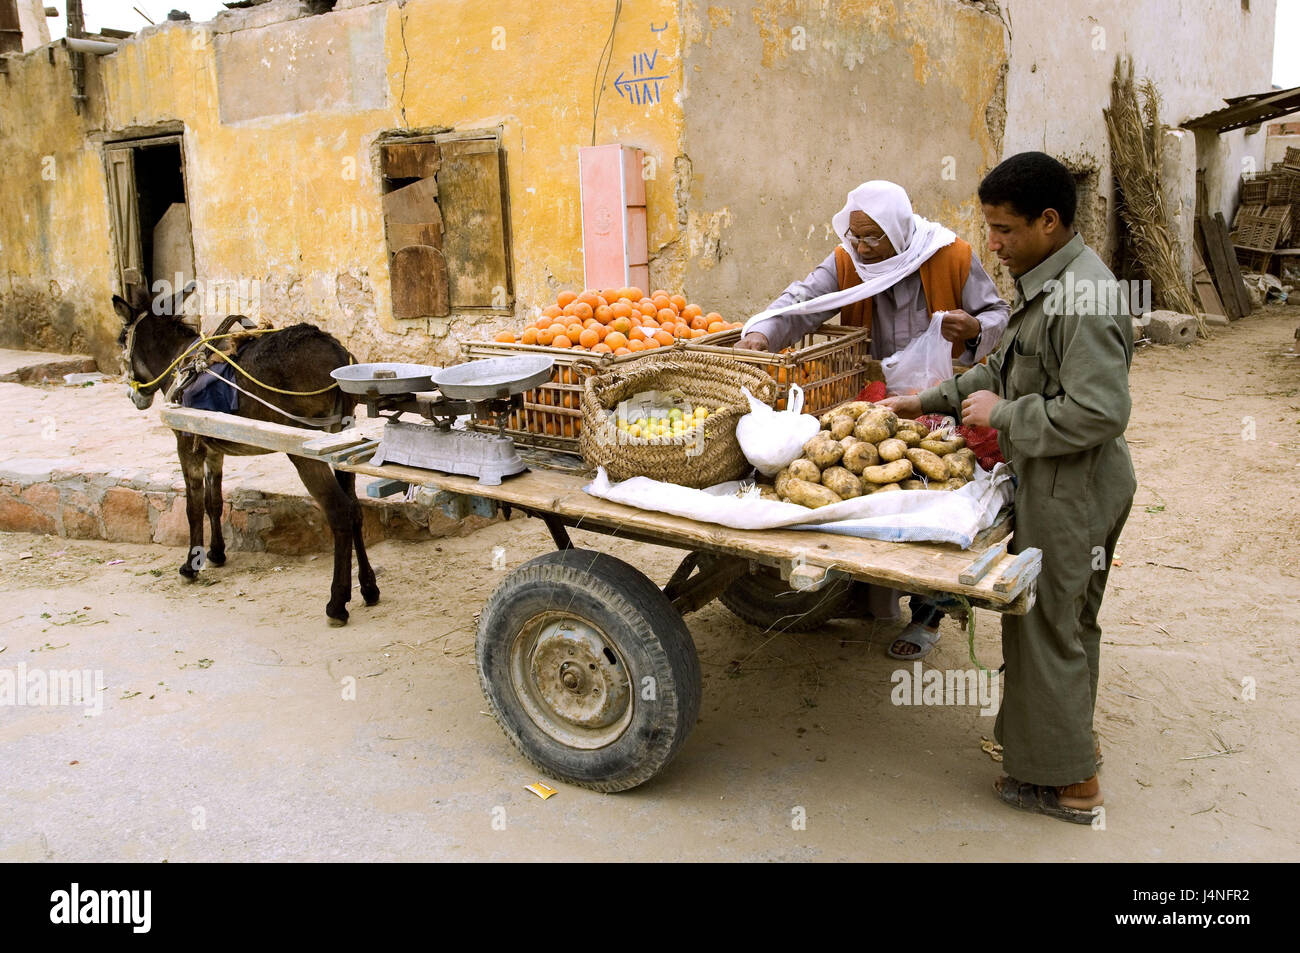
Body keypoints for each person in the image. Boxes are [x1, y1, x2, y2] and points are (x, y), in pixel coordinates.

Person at [883, 152, 1136, 824]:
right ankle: (1065, 745)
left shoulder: (1084, 296)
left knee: (1048, 627)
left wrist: (1006, 416)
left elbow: (1102, 410)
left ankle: (1072, 783)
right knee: (1064, 622)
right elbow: (1002, 366)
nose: (991, 244)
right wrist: (927, 400)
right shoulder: (1050, 280)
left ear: (1049, 221)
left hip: (1073, 484)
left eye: (1003, 230)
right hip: (1062, 479)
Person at [736, 180, 1009, 660]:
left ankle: (928, 615)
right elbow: (801, 303)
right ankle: (869, 597)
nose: (860, 247)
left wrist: (973, 329)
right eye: (854, 235)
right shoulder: (846, 262)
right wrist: (760, 333)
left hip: (939, 399)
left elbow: (997, 315)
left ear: (899, 231)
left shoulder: (952, 256)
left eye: (871, 238)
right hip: (871, 402)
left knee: (934, 495)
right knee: (873, 495)